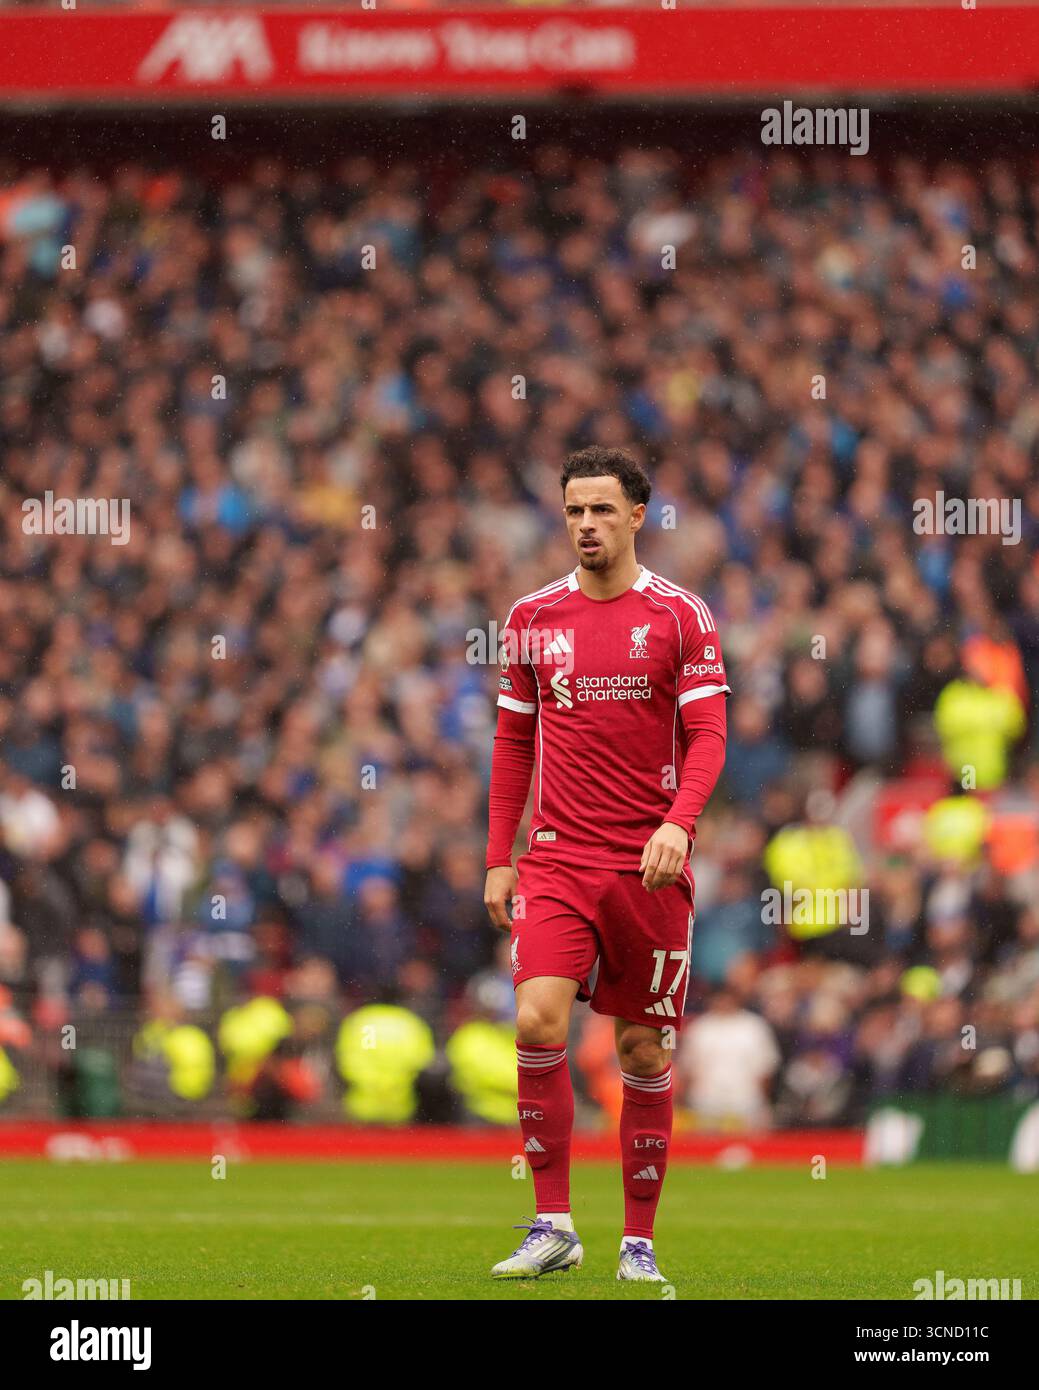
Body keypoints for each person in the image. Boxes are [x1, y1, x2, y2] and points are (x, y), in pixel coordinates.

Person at [483, 446, 728, 1283]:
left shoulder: (680, 616)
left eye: (599, 509)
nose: (584, 524)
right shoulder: (530, 618)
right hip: (554, 859)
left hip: (649, 869)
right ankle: (552, 1222)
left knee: (643, 1051)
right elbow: (513, 741)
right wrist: (497, 858)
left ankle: (637, 1242)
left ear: (635, 516)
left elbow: (709, 737)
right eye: (572, 510)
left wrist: (678, 826)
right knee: (535, 1021)